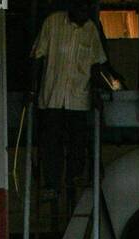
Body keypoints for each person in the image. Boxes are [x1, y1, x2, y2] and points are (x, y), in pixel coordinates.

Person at [29, 3, 106, 195]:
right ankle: (52, 185)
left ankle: (74, 178)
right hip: (52, 96)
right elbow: (37, 56)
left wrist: (97, 91)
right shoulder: (52, 23)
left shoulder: (90, 30)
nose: (84, 13)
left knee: (77, 142)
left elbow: (96, 65)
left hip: (78, 98)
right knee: (50, 143)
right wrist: (31, 89)